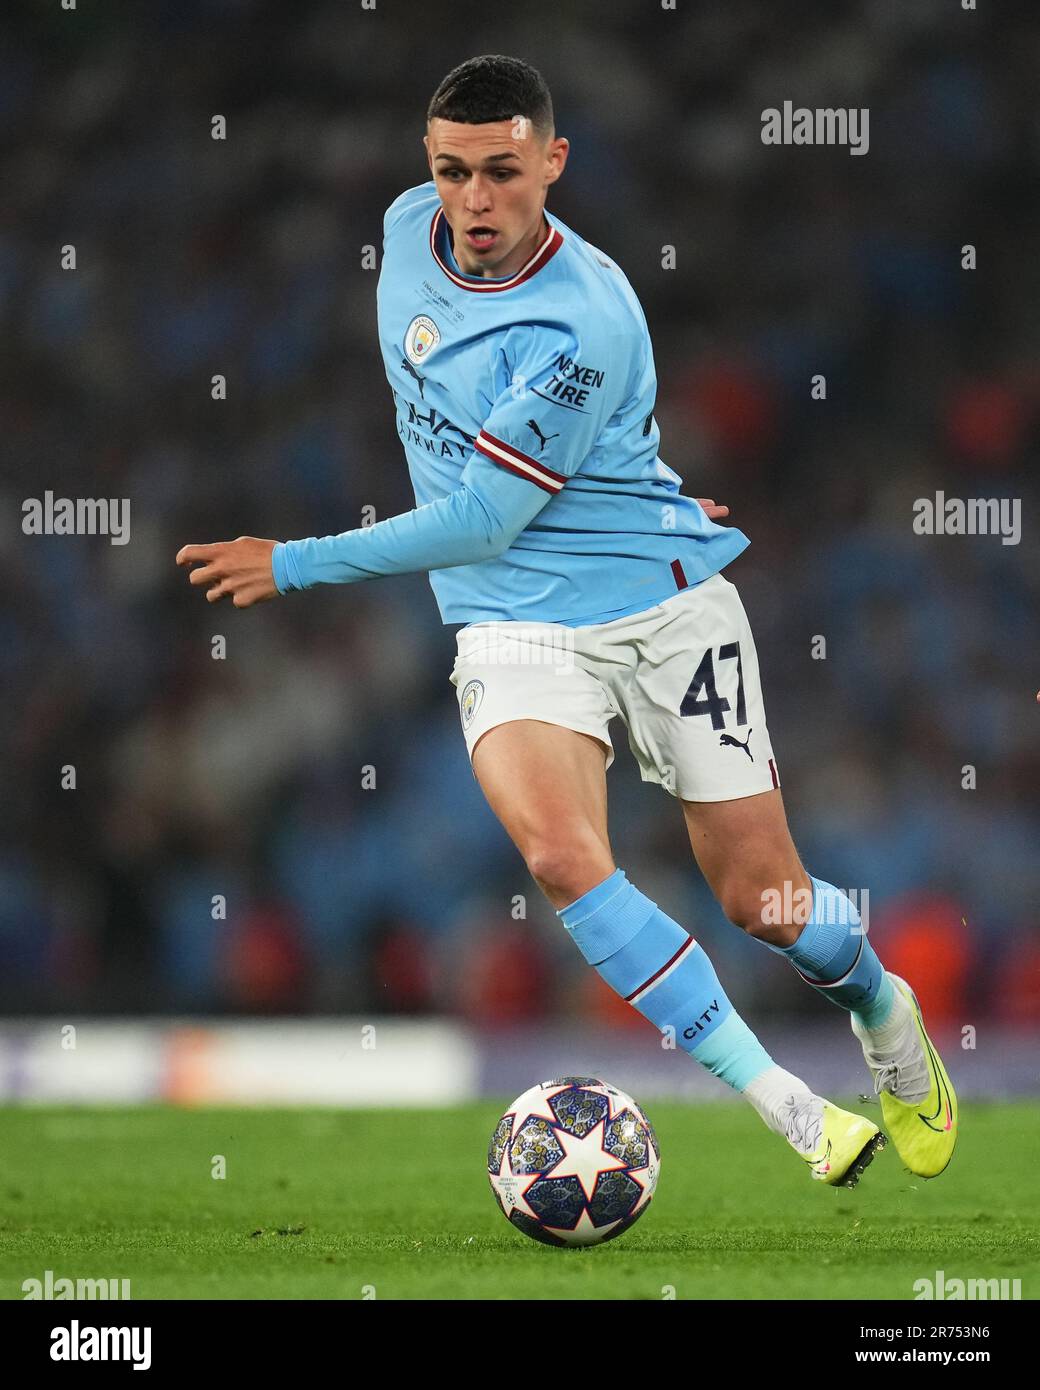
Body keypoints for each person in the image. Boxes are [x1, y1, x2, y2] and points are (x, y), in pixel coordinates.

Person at [177, 54, 956, 1187]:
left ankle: (884, 1014)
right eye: (451, 171)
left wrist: (292, 562)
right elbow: (501, 507)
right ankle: (788, 1106)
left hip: (663, 613)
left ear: (553, 162)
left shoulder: (585, 316)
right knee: (558, 854)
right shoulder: (405, 229)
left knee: (764, 899)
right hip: (512, 629)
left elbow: (485, 517)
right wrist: (628, 481)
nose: (474, 201)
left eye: (501, 171)